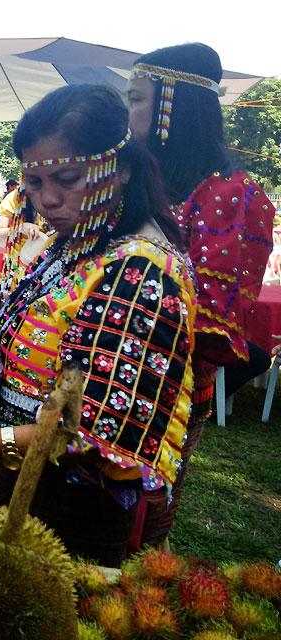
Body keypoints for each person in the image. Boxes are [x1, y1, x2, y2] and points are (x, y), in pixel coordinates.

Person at [0, 84, 196, 567]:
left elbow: (101, 429)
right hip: (29, 479)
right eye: (35, 184)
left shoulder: (141, 269)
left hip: (77, 502)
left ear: (120, 169)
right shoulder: (78, 240)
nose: (48, 200)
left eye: (66, 178)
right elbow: (33, 334)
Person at [126, 43, 276, 547]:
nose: (129, 114)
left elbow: (209, 323)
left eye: (137, 99)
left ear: (171, 105)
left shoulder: (235, 196)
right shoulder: (138, 181)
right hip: (99, 370)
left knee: (137, 526)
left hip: (167, 391)